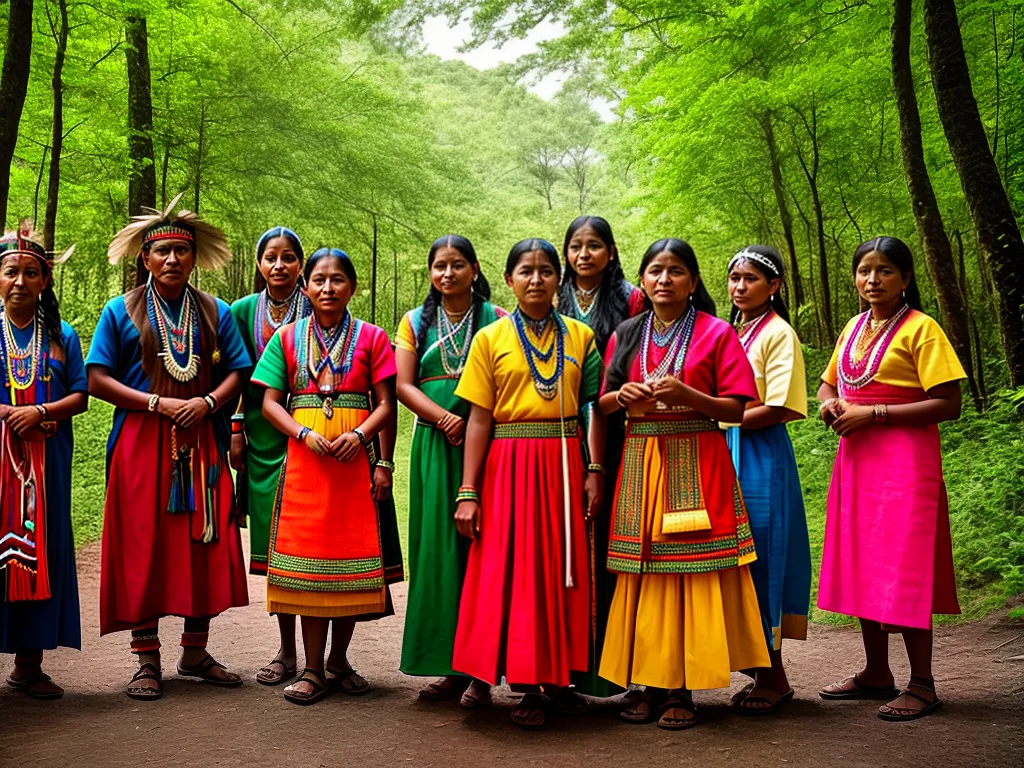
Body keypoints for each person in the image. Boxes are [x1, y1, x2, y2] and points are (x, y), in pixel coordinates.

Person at [598, 238, 769, 731]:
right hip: (640, 460)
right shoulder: (627, 333)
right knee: (644, 572)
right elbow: (602, 404)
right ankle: (647, 680)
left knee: (687, 572)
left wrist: (689, 393)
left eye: (676, 271)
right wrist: (621, 397)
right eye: (655, 270)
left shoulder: (717, 333)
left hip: (698, 456)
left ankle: (681, 687)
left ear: (693, 282)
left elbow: (737, 409)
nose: (664, 279)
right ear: (643, 280)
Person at [87, 195, 251, 701]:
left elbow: (237, 372)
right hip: (141, 440)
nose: (173, 260)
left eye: (182, 251)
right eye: (163, 252)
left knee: (202, 544)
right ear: (146, 258)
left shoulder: (215, 311)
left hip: (201, 440)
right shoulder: (121, 310)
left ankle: (195, 651)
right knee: (144, 545)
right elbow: (96, 378)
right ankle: (146, 659)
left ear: (194, 257)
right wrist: (157, 403)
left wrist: (207, 402)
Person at [451, 238, 604, 729]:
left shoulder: (580, 336)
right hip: (508, 464)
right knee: (513, 573)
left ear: (558, 278)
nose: (535, 279)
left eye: (544, 270)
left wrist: (595, 469)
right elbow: (478, 419)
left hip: (563, 460)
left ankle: (558, 679)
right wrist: (469, 491)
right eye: (525, 271)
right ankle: (525, 683)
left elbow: (594, 407)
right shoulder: (489, 339)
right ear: (509, 279)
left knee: (561, 569)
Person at [817, 236, 964, 722]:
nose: (872, 280)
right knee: (864, 560)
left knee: (905, 564)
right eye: (864, 271)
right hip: (857, 460)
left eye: (884, 271)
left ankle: (922, 683)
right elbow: (829, 382)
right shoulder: (854, 327)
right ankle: (876, 671)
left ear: (906, 279)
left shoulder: (923, 330)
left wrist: (875, 413)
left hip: (905, 463)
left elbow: (949, 403)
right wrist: (829, 403)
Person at [251, 247, 397, 706]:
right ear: (305, 286)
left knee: (348, 563)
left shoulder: (373, 338)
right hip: (305, 462)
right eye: (318, 280)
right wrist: (303, 432)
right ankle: (312, 668)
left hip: (354, 463)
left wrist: (365, 441)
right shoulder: (288, 338)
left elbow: (387, 405)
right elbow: (270, 402)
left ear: (352, 286)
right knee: (307, 567)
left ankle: (338, 660)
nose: (327, 288)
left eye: (337, 280)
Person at [396, 235, 506, 705]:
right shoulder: (414, 322)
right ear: (430, 273)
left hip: (487, 443)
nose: (448, 274)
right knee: (438, 555)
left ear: (475, 268)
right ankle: (448, 666)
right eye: (439, 266)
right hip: (433, 444)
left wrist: (470, 419)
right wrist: (442, 418)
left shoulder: (498, 319)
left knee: (481, 552)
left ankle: (482, 670)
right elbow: (403, 384)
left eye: (457, 265)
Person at [557, 216, 644, 698]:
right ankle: (567, 667)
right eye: (576, 246)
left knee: (616, 543)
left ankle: (621, 667)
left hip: (619, 432)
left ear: (611, 252)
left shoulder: (631, 298)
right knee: (566, 543)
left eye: (594, 246)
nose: (584, 254)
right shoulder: (552, 295)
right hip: (564, 436)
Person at [724, 245, 811, 715]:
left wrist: (720, 420)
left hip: (758, 454)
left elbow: (781, 405)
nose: (740, 287)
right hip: (723, 451)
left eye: (751, 279)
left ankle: (775, 675)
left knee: (761, 553)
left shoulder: (778, 334)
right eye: (735, 278)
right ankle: (758, 669)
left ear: (773, 286)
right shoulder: (731, 331)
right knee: (729, 557)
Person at [0, 233, 87, 700]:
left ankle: (28, 666)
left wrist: (42, 412)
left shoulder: (61, 336)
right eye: (11, 272)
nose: (19, 281)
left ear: (45, 279)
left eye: (30, 272)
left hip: (45, 466)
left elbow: (81, 395)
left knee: (39, 551)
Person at [229, 226, 311, 686]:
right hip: (260, 434)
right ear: (259, 264)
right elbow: (239, 377)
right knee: (275, 544)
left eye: (288, 257)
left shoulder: (318, 304)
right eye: (270, 257)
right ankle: (285, 650)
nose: (279, 266)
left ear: (301, 264)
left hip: (309, 430)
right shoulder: (243, 311)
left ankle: (323, 654)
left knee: (310, 540)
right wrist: (237, 428)